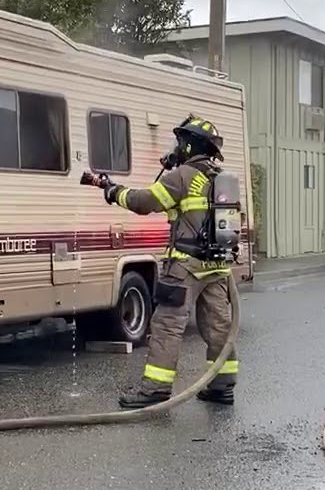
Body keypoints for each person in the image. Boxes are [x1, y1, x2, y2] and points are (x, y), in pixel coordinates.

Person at [98, 115, 239, 408]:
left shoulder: (183, 176)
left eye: (181, 142)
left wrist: (113, 192)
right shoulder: (219, 177)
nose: (177, 146)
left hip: (185, 265)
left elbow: (144, 201)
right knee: (218, 326)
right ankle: (221, 386)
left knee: (167, 325)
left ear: (190, 145)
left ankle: (155, 390)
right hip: (217, 265)